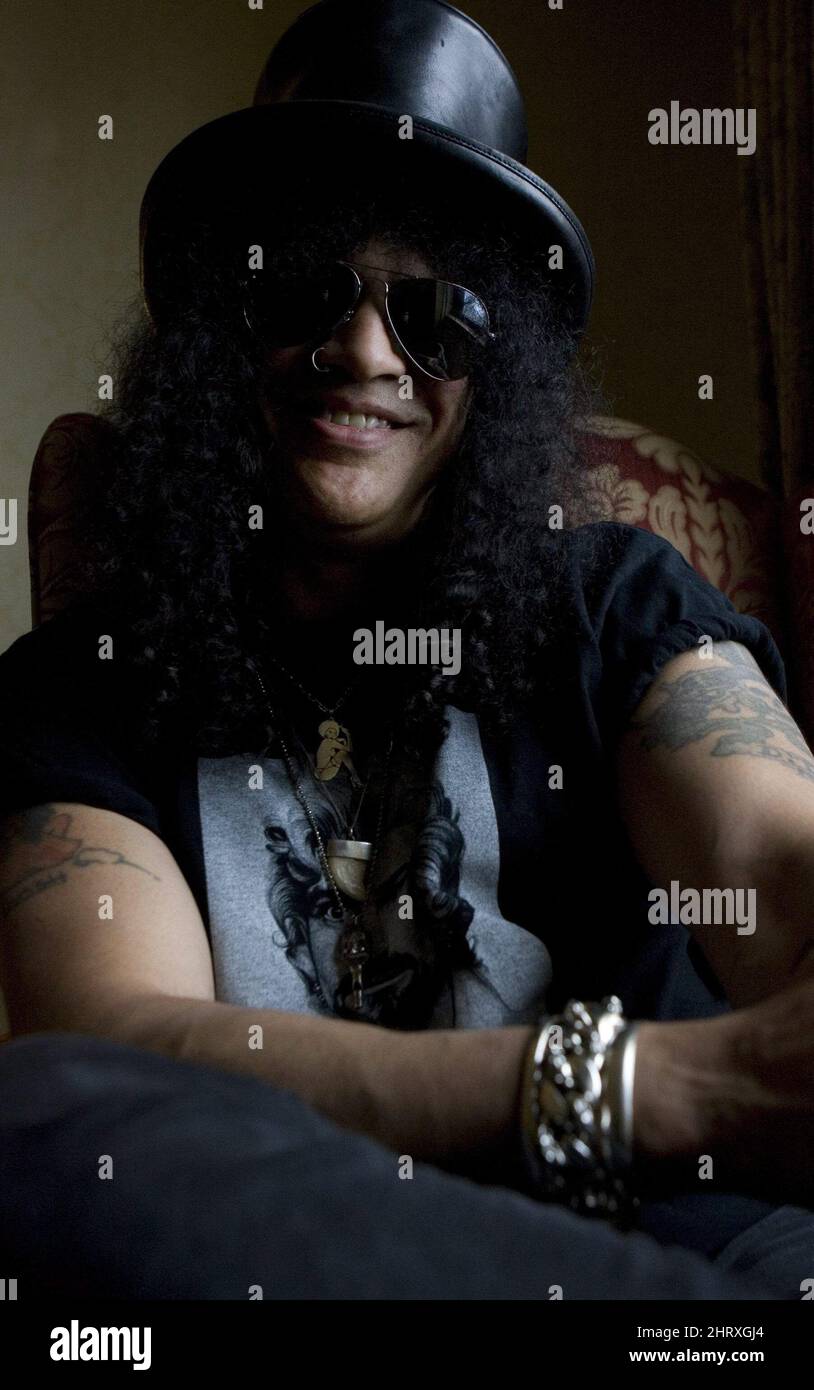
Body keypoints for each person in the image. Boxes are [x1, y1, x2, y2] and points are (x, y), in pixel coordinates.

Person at [1, 0, 813, 1301]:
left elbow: (772, 859)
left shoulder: (615, 600)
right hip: (308, 1251)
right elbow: (112, 1048)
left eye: (439, 313)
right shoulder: (78, 686)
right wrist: (663, 1085)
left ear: (500, 372)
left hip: (684, 1248)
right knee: (41, 1129)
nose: (365, 350)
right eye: (303, 285)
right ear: (221, 322)